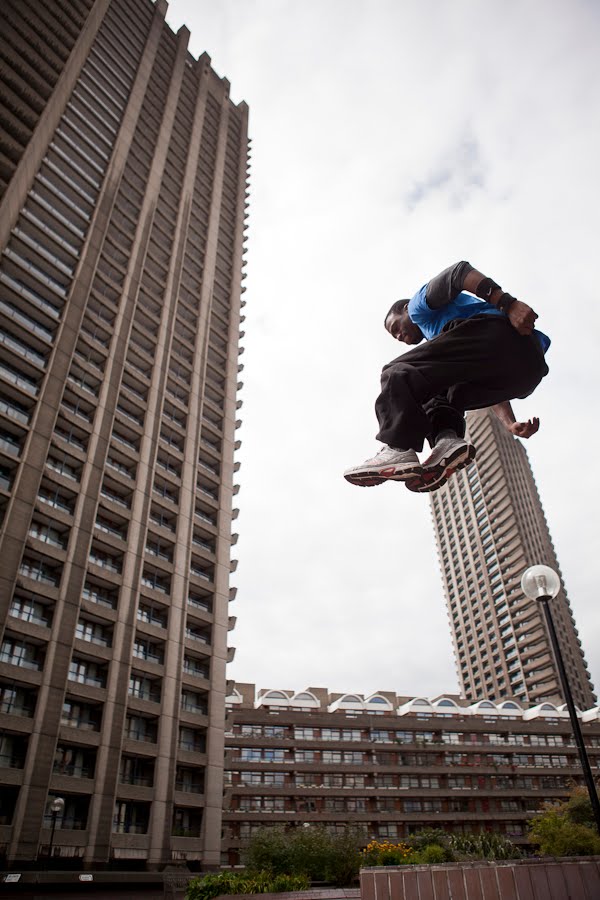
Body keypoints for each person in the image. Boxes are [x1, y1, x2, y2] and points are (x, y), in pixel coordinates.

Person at [343, 260, 550, 493]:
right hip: (525, 371)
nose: (400, 336)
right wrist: (510, 423)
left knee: (396, 373)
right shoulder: (449, 354)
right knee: (437, 390)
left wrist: (508, 303)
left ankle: (398, 448)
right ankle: (447, 441)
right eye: (395, 337)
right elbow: (486, 383)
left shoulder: (418, 307)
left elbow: (459, 272)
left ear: (404, 311)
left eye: (396, 328)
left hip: (498, 333)